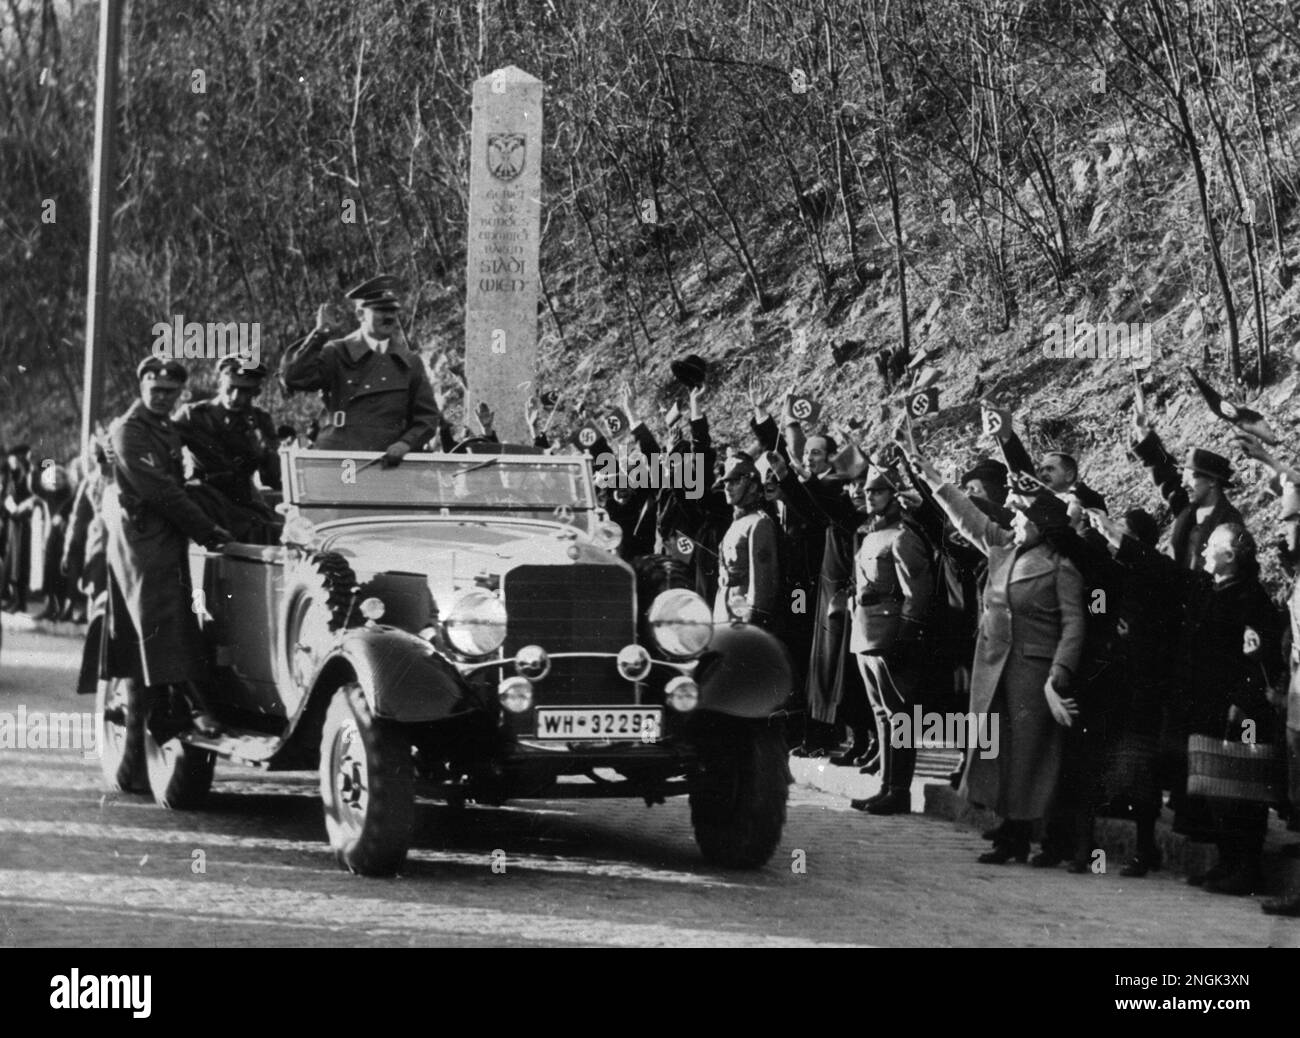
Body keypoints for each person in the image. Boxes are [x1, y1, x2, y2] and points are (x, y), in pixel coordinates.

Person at [910, 445, 1086, 864]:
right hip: (995, 666)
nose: (1016, 521)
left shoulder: (1061, 564)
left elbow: (1075, 624)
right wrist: (935, 480)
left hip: (1033, 670)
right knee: (999, 748)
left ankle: (1019, 832)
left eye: (1024, 517)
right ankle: (1008, 825)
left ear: (1042, 523)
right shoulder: (1002, 547)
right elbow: (967, 517)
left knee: (1027, 754)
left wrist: (1060, 672)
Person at [1106, 517, 1282, 895]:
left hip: (1237, 713)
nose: (1203, 551)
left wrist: (1243, 702)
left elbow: (1261, 659)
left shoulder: (1252, 599)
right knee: (1214, 790)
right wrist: (1118, 538)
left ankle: (1246, 867)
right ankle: (1226, 862)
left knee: (1240, 791)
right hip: (1201, 707)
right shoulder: (1206, 587)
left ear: (1230, 556)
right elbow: (1166, 572)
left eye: (1211, 546)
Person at [102, 356, 234, 741]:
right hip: (142, 537)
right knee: (162, 615)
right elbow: (161, 491)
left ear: (181, 393)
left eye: (170, 392)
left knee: (176, 614)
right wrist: (207, 530)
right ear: (141, 389)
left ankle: (173, 703)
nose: (162, 398)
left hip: (166, 532)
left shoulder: (164, 427)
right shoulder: (130, 431)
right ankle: (186, 707)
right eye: (155, 391)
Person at [845, 464, 932, 815]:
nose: (870, 497)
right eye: (868, 491)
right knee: (882, 713)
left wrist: (906, 637)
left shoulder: (903, 537)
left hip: (892, 635)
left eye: (878, 491)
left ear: (895, 496)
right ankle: (885, 785)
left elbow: (918, 593)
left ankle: (899, 790)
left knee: (900, 715)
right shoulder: (868, 537)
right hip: (865, 634)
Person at [280, 275, 440, 462]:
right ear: (360, 315)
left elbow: (427, 418)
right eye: (380, 310)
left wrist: (406, 443)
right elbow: (294, 377)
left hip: (388, 462)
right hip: (337, 456)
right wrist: (320, 334)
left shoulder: (410, 362)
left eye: (392, 310)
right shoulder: (336, 352)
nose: (389, 316)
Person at [174, 358, 282, 543]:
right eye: (231, 388)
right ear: (220, 383)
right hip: (205, 498)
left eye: (244, 391)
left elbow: (272, 479)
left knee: (276, 534)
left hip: (244, 500)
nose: (235, 397)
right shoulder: (194, 415)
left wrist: (264, 452)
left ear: (256, 392)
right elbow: (160, 440)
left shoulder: (260, 421)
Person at [1130, 409, 1242, 569]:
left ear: (1211, 481)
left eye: (1191, 479)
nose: (1183, 484)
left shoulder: (1229, 522)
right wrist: (1142, 432)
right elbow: (1166, 474)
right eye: (1184, 479)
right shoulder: (1189, 510)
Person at [985, 404, 1106, 511]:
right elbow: (1019, 462)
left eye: (1050, 469)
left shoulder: (1088, 499)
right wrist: (1000, 425)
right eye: (1040, 470)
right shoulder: (1042, 496)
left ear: (1069, 475)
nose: (1043, 474)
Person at [713, 453, 780, 630]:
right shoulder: (738, 522)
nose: (727, 488)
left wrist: (753, 621)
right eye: (726, 483)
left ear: (752, 487)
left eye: (735, 482)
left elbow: (762, 583)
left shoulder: (760, 523)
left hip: (743, 617)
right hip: (725, 608)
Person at [2, 445, 34, 612]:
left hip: (23, 523)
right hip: (13, 523)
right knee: (12, 561)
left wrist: (19, 509)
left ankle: (21, 602)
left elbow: (32, 497)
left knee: (20, 562)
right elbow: (8, 495)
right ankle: (14, 599)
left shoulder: (27, 475)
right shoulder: (12, 476)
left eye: (14, 459)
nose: (11, 462)